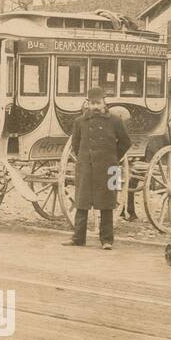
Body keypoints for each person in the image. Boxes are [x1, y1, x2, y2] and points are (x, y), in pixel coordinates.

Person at [62, 85, 130, 250]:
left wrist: (113, 157)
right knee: (82, 202)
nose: (95, 107)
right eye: (92, 103)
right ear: (87, 104)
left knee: (107, 204)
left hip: (110, 168)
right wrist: (85, 159)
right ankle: (78, 238)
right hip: (85, 167)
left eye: (98, 103)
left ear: (104, 103)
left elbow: (126, 143)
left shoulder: (115, 121)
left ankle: (107, 240)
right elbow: (76, 145)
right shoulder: (79, 122)